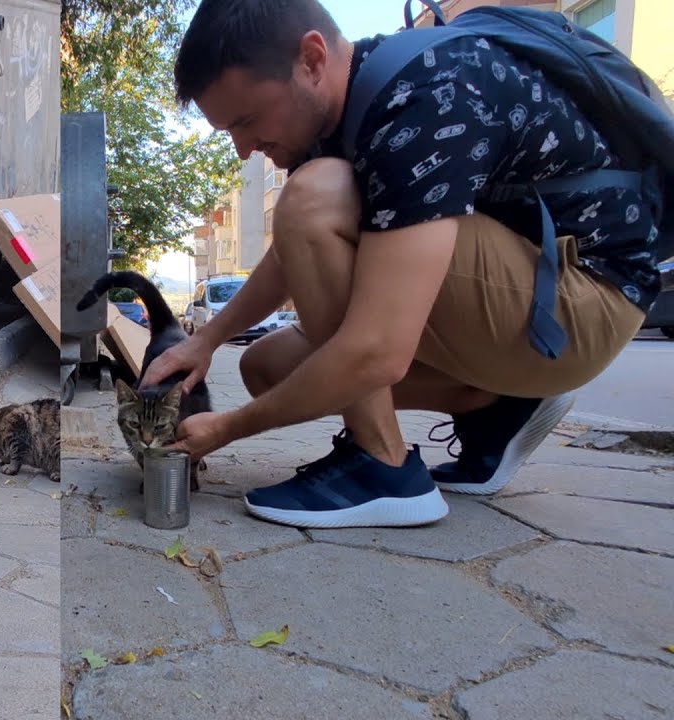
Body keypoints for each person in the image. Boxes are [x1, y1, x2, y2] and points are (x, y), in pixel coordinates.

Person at [144, 0, 665, 529]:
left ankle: (382, 467)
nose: (242, 149)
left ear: (312, 58)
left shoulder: (424, 94)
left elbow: (377, 351)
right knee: (267, 369)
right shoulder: (336, 123)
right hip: (528, 294)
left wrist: (227, 429)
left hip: (586, 298)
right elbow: (292, 252)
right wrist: (206, 341)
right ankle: (493, 405)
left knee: (314, 199)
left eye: (247, 121)